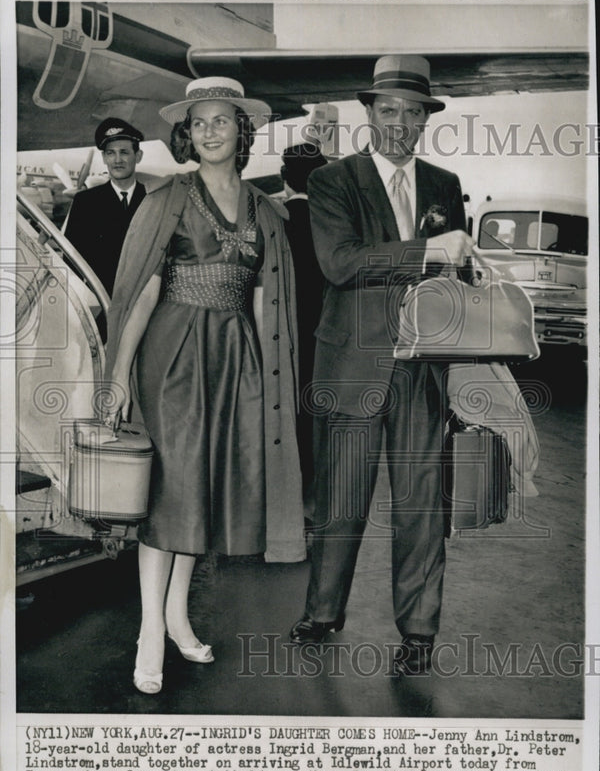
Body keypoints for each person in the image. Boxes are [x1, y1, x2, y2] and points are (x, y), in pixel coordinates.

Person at [103, 78, 305, 694]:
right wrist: (116, 377)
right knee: (171, 493)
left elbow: (270, 306)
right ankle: (148, 632)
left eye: (224, 121)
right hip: (173, 356)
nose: (212, 130)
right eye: (201, 122)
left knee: (205, 491)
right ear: (186, 134)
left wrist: (273, 387)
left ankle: (176, 614)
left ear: (242, 132)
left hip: (236, 360)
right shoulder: (168, 198)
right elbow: (141, 293)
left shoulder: (267, 210)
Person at [289, 55, 475, 675]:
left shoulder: (445, 185)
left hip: (422, 370)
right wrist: (428, 250)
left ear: (426, 120)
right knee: (341, 500)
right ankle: (322, 612)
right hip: (351, 367)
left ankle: (419, 631)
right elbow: (340, 264)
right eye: (387, 110)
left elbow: (456, 280)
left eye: (412, 112)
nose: (399, 122)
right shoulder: (332, 181)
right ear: (369, 114)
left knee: (422, 504)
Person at [280, 143, 328, 512]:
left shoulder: (277, 220)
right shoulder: (331, 223)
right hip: (322, 333)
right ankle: (311, 498)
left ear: (284, 180)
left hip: (281, 331)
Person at [64, 118, 146, 296]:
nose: (117, 160)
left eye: (124, 152)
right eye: (110, 153)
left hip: (145, 302)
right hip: (101, 300)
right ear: (104, 158)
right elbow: (71, 260)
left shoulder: (153, 199)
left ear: (138, 156)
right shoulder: (85, 202)